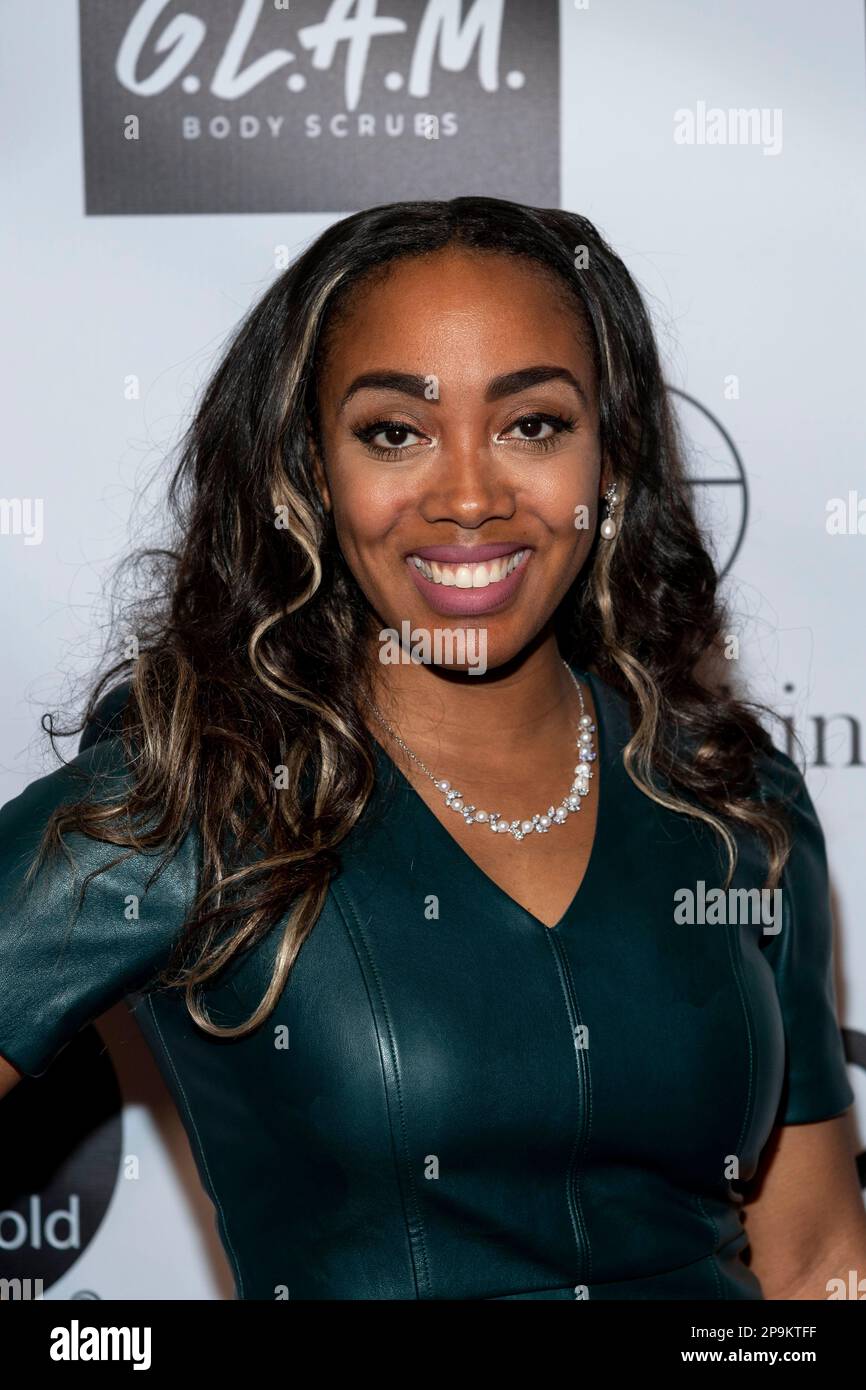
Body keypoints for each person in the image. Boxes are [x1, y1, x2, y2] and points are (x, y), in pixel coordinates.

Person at [1, 196, 863, 1301]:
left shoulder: (730, 798)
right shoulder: (192, 799)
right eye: (393, 432)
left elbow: (812, 1256)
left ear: (612, 460)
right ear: (308, 470)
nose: (467, 495)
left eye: (533, 424)